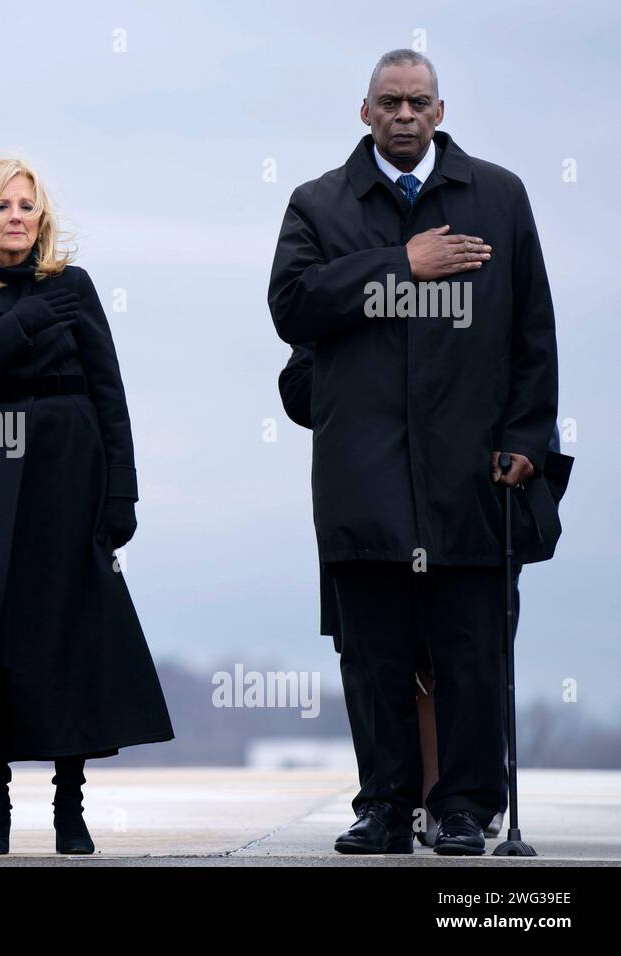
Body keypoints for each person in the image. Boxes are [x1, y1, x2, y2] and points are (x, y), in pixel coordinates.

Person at [267, 50, 558, 855]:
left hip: (471, 471)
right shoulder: (318, 205)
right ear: (365, 112)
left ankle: (464, 809)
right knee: (376, 654)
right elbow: (291, 306)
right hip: (364, 476)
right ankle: (386, 809)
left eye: (418, 102)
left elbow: (533, 332)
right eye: (389, 101)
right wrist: (403, 264)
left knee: (471, 647)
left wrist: (527, 440)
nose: (404, 114)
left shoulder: (498, 197)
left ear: (440, 110)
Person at [0, 157, 174, 855]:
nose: (15, 216)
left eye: (26, 206)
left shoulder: (76, 285)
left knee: (70, 627)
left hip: (72, 465)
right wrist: (29, 318)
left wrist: (122, 489)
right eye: (1, 206)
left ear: (42, 218)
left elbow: (110, 391)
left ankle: (71, 806)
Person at [278, 346, 571, 846]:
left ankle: (461, 803)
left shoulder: (487, 284)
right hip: (374, 495)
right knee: (386, 655)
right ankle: (406, 803)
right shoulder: (357, 289)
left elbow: (529, 363)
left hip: (469, 496)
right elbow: (299, 384)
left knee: (467, 652)